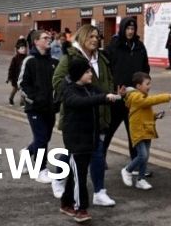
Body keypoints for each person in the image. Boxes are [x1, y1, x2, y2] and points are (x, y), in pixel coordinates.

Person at [52, 24, 119, 207]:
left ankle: (99, 191)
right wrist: (76, 92)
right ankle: (58, 179)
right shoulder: (70, 57)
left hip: (99, 115)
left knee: (98, 153)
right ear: (82, 37)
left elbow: (106, 83)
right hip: (77, 116)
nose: (95, 40)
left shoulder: (102, 58)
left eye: (97, 37)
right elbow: (58, 81)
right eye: (91, 37)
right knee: (71, 153)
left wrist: (113, 94)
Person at [59, 57, 121, 223]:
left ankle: (66, 203)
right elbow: (80, 103)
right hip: (76, 140)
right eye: (87, 72)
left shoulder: (89, 87)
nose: (90, 74)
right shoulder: (70, 90)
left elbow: (101, 95)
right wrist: (103, 98)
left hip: (89, 138)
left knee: (75, 173)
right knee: (79, 175)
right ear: (79, 74)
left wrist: (115, 96)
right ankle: (81, 208)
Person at [105, 17, 150, 162]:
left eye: (132, 29)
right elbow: (107, 69)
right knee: (109, 130)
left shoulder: (139, 46)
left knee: (134, 131)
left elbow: (145, 67)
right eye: (127, 29)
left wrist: (144, 86)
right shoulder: (113, 46)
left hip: (134, 96)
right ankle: (100, 157)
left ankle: (136, 162)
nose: (130, 32)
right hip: (118, 95)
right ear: (122, 29)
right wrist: (112, 88)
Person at [122, 72, 171, 190]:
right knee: (142, 155)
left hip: (146, 128)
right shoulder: (135, 97)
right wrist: (168, 97)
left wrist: (155, 115)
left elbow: (144, 111)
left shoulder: (141, 97)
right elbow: (150, 101)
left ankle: (141, 180)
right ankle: (127, 170)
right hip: (138, 130)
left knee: (145, 156)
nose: (149, 86)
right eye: (147, 84)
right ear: (138, 86)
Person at [19, 31, 59, 185]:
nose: (49, 40)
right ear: (36, 41)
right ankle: (40, 170)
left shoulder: (53, 61)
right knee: (41, 138)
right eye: (45, 38)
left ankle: (26, 153)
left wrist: (56, 102)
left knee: (44, 138)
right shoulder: (29, 61)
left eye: (49, 37)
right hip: (35, 108)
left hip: (50, 108)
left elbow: (58, 83)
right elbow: (22, 83)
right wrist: (33, 99)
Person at [7, 38, 28, 106]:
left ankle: (22, 102)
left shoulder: (27, 57)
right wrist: (9, 77)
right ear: (18, 50)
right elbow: (11, 68)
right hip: (16, 77)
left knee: (23, 90)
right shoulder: (15, 58)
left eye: (24, 48)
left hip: (24, 77)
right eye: (22, 48)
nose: (24, 49)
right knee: (15, 89)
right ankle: (11, 98)